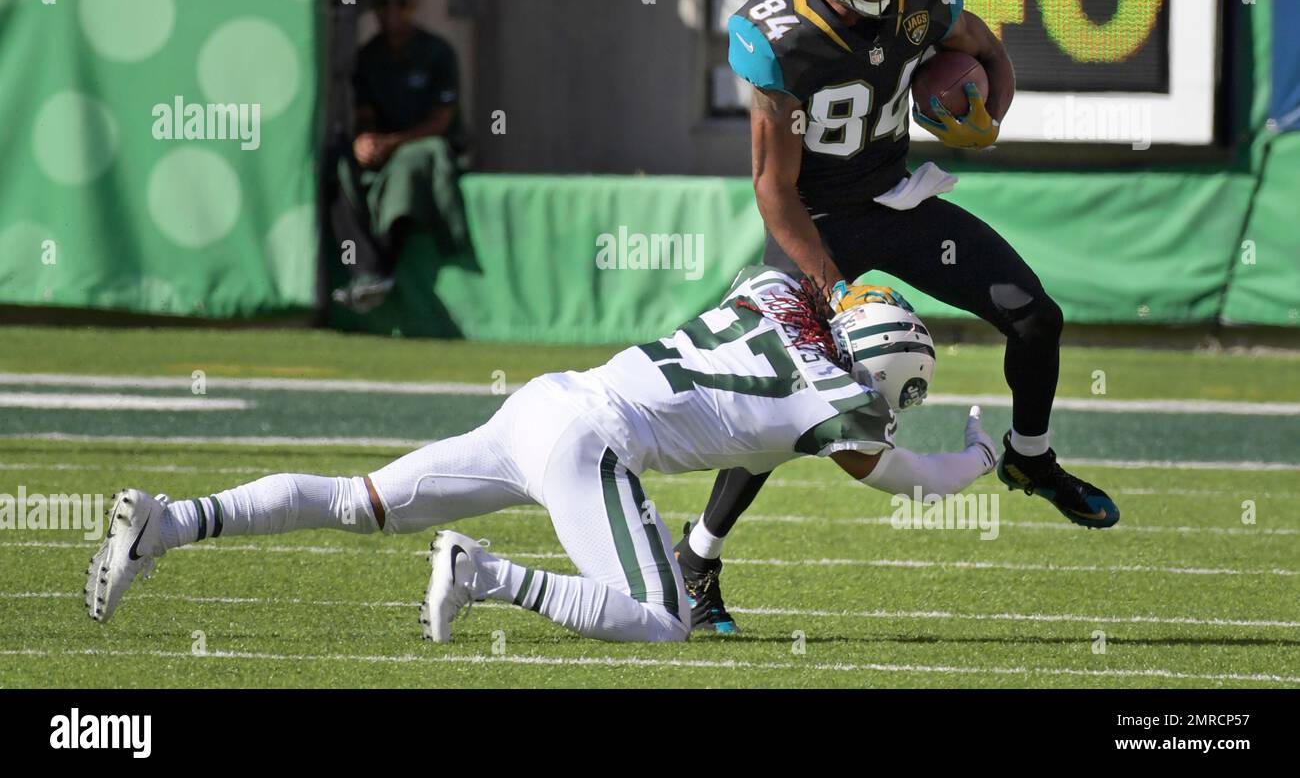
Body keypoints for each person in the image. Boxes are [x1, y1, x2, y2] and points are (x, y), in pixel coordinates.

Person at [85, 266, 996, 644]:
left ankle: (171, 522)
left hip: (545, 401)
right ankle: (483, 574)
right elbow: (915, 481)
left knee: (361, 499)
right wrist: (979, 459)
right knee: (664, 618)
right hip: (592, 443)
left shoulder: (774, 293)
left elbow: (759, 416)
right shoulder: (838, 403)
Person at [678, 0, 1119, 634]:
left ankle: (1030, 457)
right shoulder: (781, 38)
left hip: (894, 199)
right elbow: (774, 190)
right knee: (789, 398)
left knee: (1034, 316)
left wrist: (990, 116)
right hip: (816, 224)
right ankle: (697, 557)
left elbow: (988, 50)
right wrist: (833, 287)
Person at [330, 0, 468, 313]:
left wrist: (393, 142)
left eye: (401, 2)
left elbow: (441, 121)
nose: (392, 11)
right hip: (385, 151)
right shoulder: (368, 57)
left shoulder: (438, 52)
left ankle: (381, 268)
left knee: (410, 166)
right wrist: (365, 141)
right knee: (336, 158)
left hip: (425, 148)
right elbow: (365, 116)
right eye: (384, 2)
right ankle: (364, 270)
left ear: (413, 4)